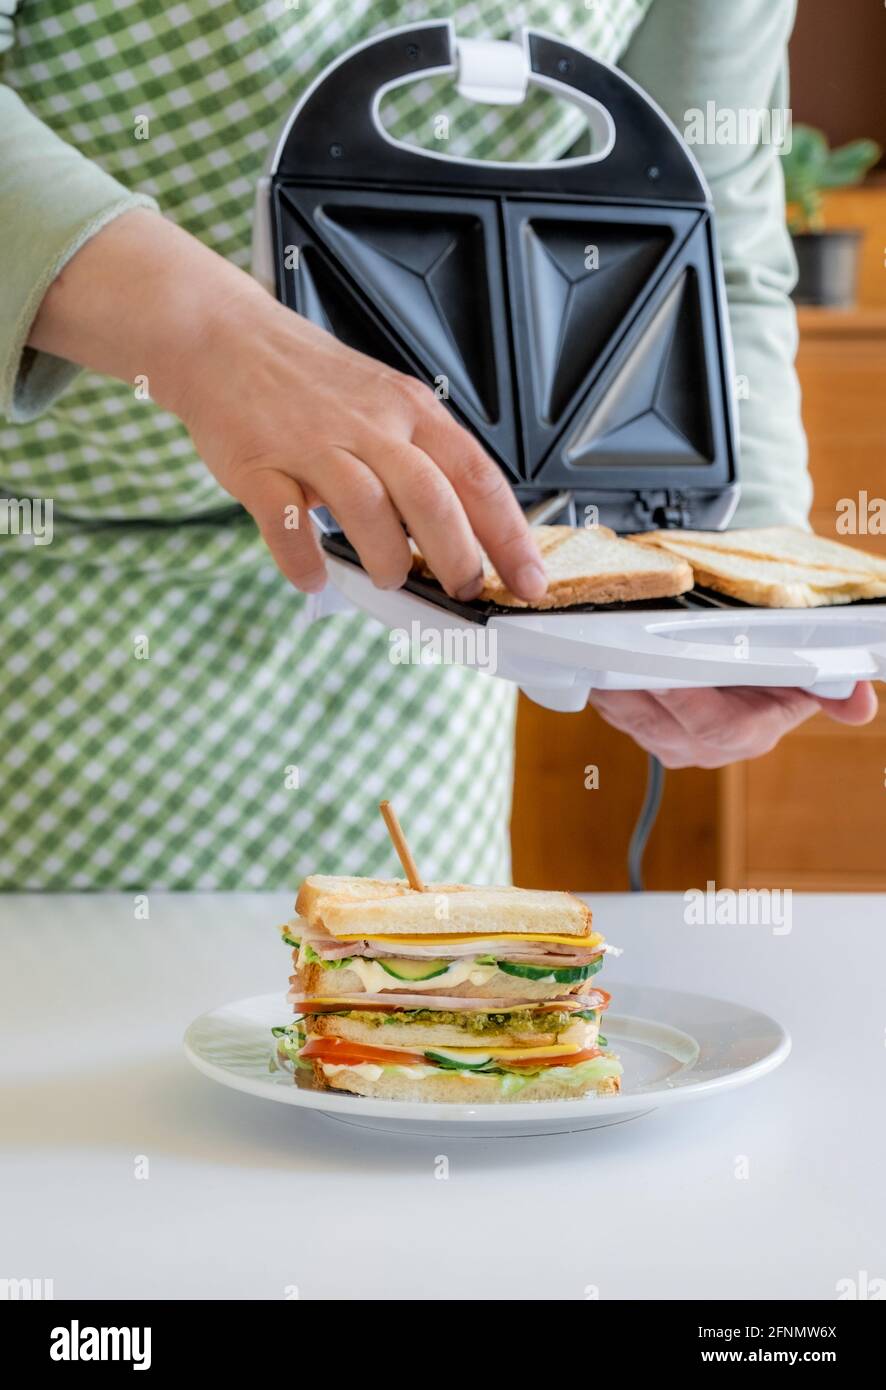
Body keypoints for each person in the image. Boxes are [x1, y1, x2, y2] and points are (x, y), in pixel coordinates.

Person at [0, 0, 875, 892]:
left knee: (418, 997)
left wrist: (733, 584)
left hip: (421, 601)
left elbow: (706, 217)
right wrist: (212, 337)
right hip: (48, 581)